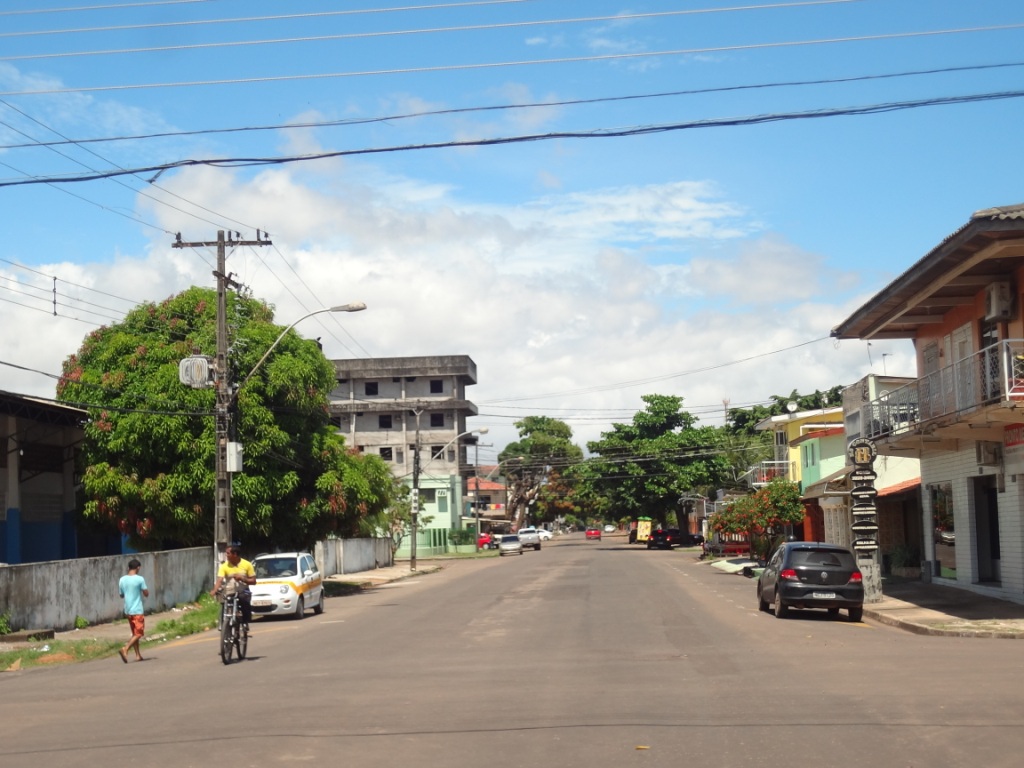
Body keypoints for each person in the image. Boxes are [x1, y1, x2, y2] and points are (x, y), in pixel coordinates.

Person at [210, 545, 256, 628]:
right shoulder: (224, 566)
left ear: (235, 554)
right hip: (230, 591)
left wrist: (242, 578)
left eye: (228, 553)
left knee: (244, 602)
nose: (226, 555)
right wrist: (215, 590)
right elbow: (220, 580)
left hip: (243, 591)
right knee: (225, 604)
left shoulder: (247, 564)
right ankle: (223, 624)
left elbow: (253, 581)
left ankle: (245, 621)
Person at [118, 558, 149, 663]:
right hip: (137, 610)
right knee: (139, 633)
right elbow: (146, 593)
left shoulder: (122, 579)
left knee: (134, 634)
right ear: (138, 568)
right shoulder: (140, 579)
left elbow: (121, 595)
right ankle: (125, 648)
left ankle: (138, 655)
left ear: (128, 568)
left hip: (128, 610)